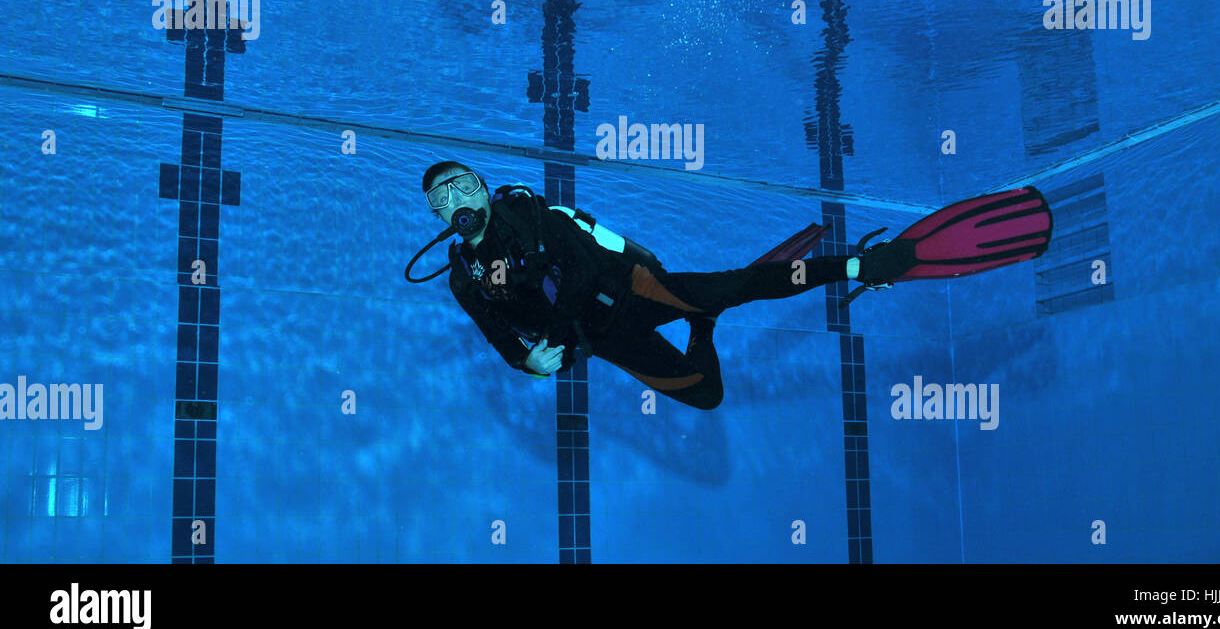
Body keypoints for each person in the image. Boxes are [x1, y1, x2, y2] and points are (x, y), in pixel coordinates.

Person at [408, 160, 1052, 411]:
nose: (456, 200)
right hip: (602, 339)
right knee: (707, 395)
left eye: (462, 184)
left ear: (483, 187)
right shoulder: (462, 278)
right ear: (437, 215)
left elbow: (580, 271)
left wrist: (553, 330)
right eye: (442, 198)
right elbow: (497, 335)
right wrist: (527, 361)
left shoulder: (534, 214)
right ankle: (704, 327)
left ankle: (860, 265)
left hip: (635, 288)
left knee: (738, 284)